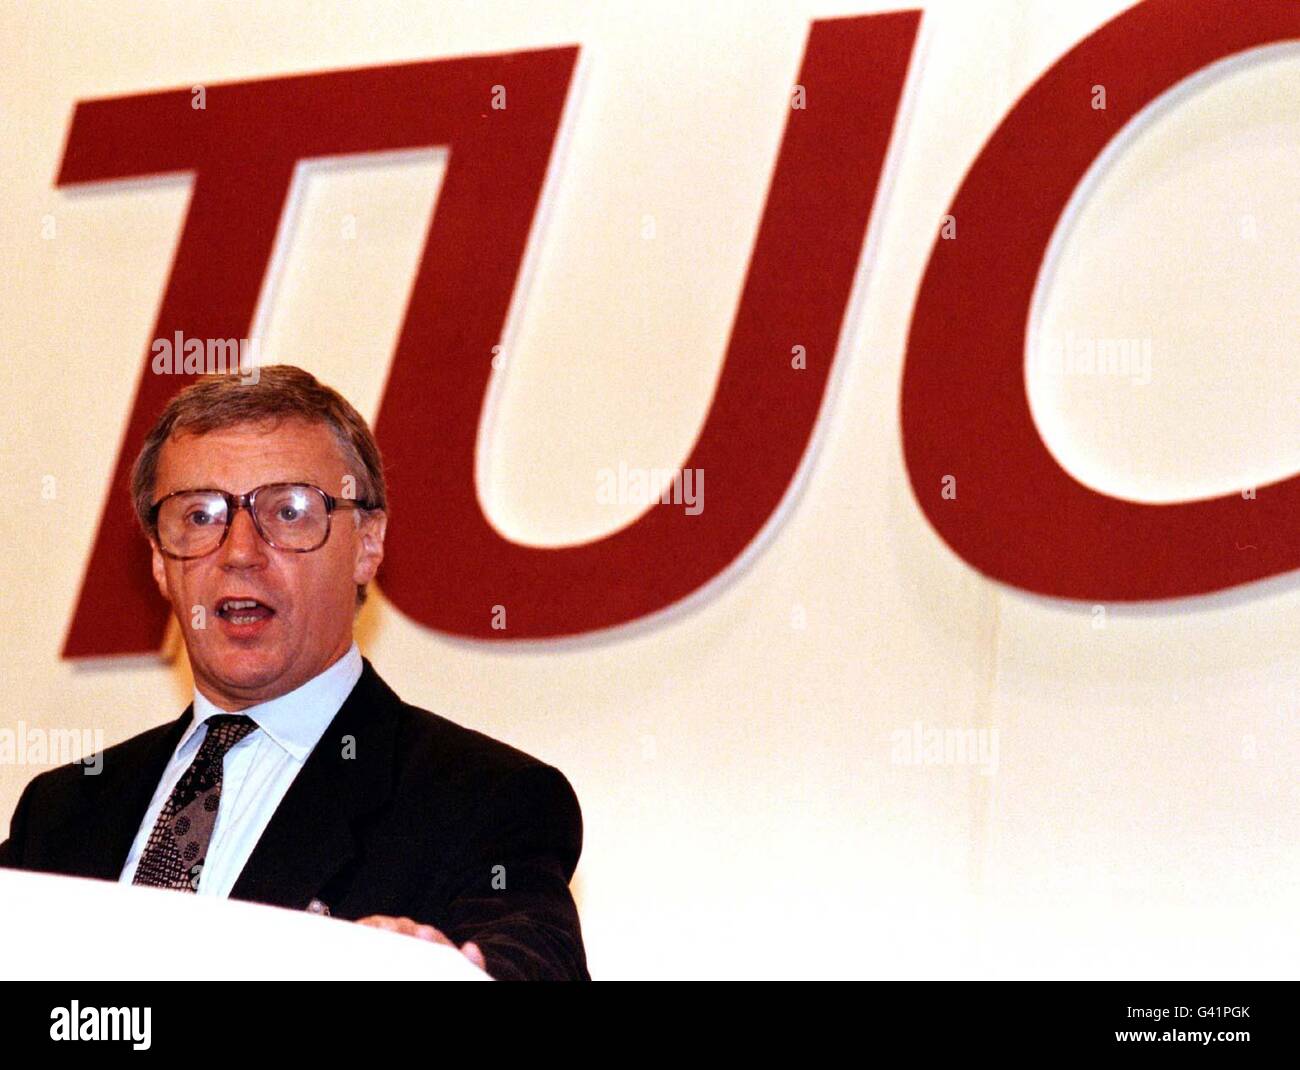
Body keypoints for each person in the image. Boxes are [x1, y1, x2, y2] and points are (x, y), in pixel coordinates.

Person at [0, 365, 589, 981]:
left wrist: (434, 971)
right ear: (157, 559)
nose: (239, 553)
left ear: (368, 543)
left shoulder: (485, 800)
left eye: (288, 512)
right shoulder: (62, 811)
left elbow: (529, 960)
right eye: (199, 516)